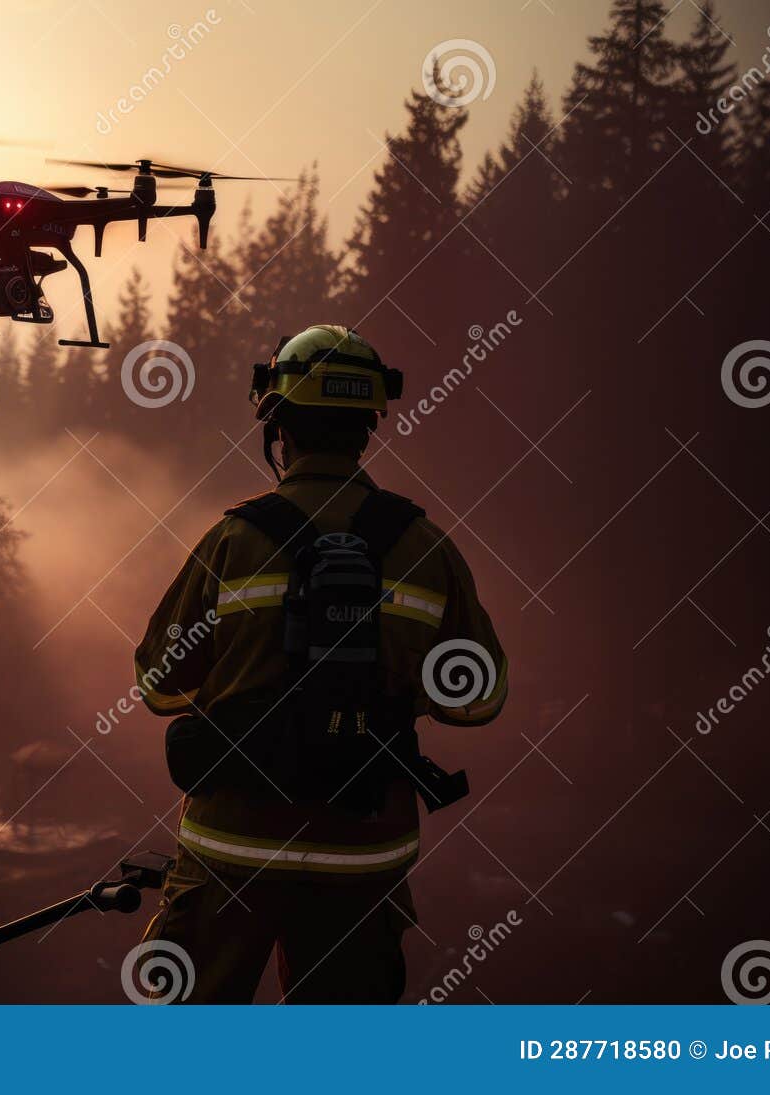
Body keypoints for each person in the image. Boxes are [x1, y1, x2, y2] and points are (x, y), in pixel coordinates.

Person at [133, 324, 507, 1003]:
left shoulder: (232, 541)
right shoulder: (427, 549)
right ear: (369, 425)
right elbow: (477, 700)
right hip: (363, 852)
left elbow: (159, 685)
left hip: (232, 847)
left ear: (279, 426)